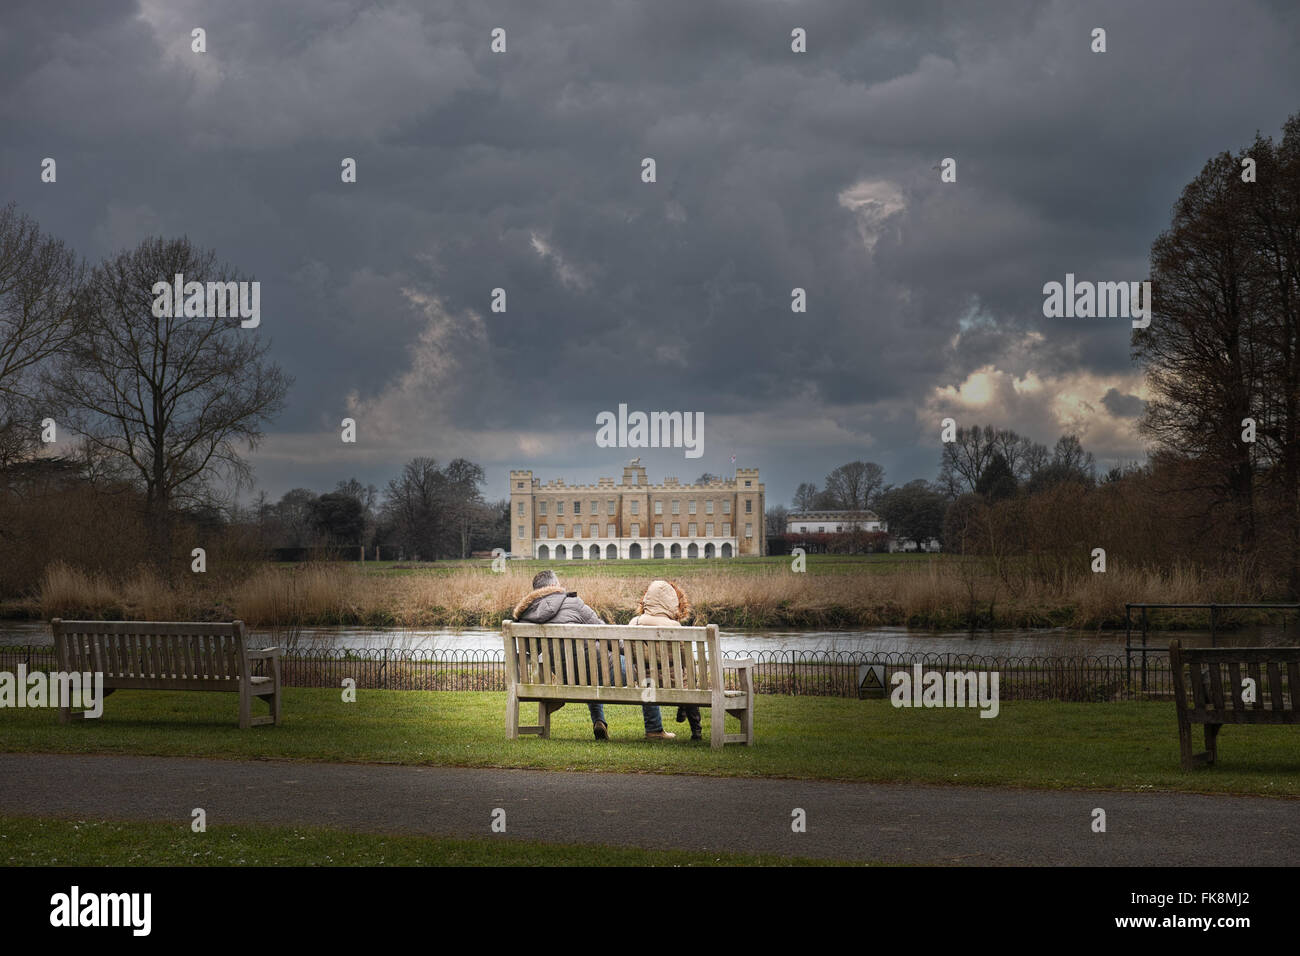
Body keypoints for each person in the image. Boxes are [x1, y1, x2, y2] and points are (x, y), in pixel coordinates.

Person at [512, 569, 674, 740]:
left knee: (587, 665)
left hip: (569, 677)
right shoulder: (573, 603)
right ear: (553, 586)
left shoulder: (525, 617)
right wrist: (633, 654)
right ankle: (654, 729)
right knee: (639, 666)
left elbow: (530, 653)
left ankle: (599, 721)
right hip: (604, 673)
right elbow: (605, 634)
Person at [628, 579, 702, 741]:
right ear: (671, 602)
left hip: (646, 682)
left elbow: (630, 655)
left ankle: (653, 729)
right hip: (674, 682)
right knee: (689, 684)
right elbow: (686, 659)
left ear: (647, 599)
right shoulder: (674, 627)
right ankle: (696, 730)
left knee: (647, 681)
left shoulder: (635, 623)